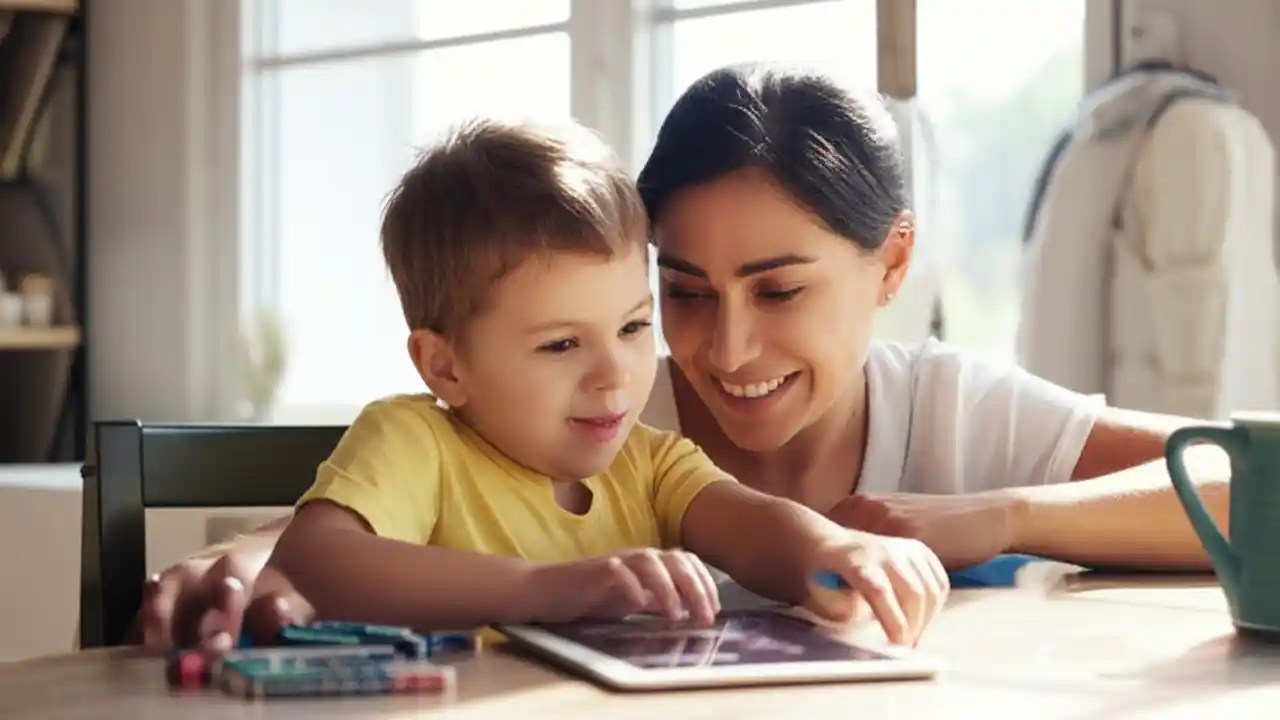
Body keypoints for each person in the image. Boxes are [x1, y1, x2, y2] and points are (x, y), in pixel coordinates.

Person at [137, 64, 1229, 653]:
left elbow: (1246, 478)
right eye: (682, 293)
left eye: (781, 287)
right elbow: (389, 503)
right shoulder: (617, 397)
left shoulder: (942, 405)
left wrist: (995, 517)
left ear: (891, 262)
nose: (727, 348)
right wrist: (248, 555)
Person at [176, 116, 947, 649]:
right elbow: (318, 561)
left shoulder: (649, 465)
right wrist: (544, 590)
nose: (616, 374)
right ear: (446, 365)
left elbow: (753, 528)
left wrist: (839, 552)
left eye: (634, 328)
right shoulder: (416, 443)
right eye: (561, 344)